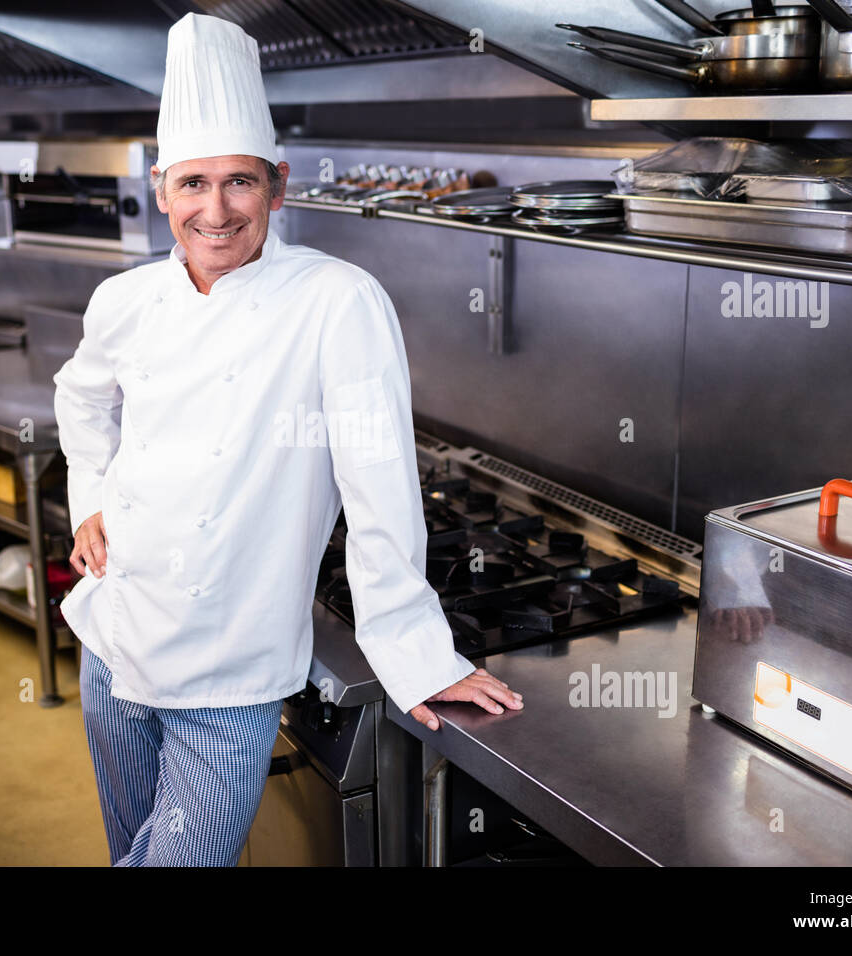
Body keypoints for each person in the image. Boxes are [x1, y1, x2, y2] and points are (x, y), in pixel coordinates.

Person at [53, 12, 521, 867]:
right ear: (160, 189)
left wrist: (419, 655)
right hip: (114, 638)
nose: (216, 210)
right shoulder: (124, 300)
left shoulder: (338, 301)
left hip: (230, 664)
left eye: (240, 181)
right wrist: (89, 500)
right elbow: (79, 398)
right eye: (193, 184)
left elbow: (379, 487)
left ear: (279, 185)